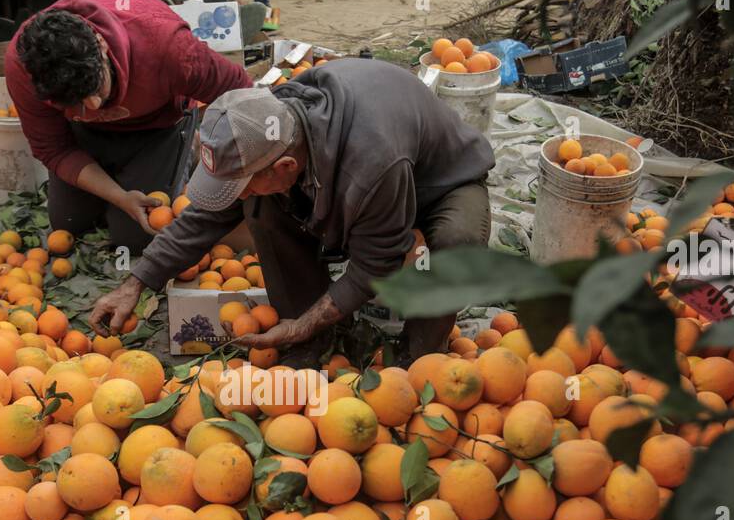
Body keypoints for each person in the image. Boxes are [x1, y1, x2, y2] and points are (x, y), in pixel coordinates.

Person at [90, 58, 496, 362]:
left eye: (239, 183)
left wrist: (307, 320)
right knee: (261, 209)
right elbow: (208, 215)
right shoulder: (272, 118)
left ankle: (421, 354)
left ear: (284, 168)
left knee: (456, 245)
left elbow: (376, 263)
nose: (234, 193)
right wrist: (136, 283)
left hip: (440, 186)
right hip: (368, 188)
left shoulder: (371, 164)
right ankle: (310, 339)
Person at [6, 0, 252, 253]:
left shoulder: (168, 48)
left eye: (97, 90)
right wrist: (120, 198)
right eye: (76, 102)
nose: (95, 106)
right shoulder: (23, 68)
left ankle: (187, 149)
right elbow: (54, 149)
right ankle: (126, 174)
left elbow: (242, 94)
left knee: (137, 237)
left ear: (100, 45)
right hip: (84, 135)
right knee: (69, 225)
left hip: (158, 127)